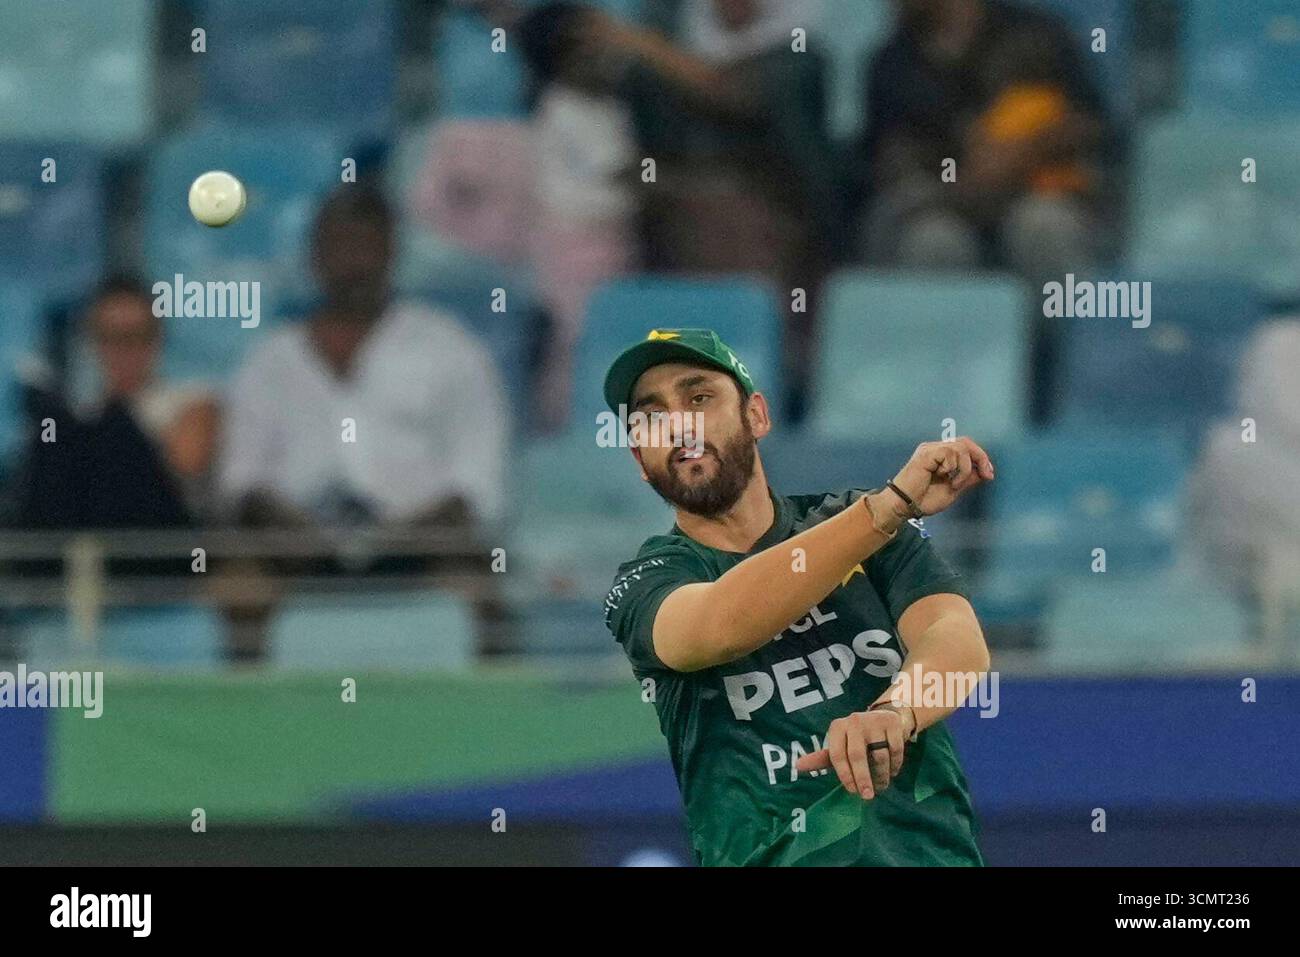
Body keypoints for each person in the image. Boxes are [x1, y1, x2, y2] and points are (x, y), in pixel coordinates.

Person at [601, 327, 993, 866]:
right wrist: (886, 509)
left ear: (757, 416)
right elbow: (716, 627)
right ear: (640, 461)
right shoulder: (647, 580)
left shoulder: (864, 526)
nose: (679, 423)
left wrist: (897, 711)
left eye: (699, 398)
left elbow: (956, 640)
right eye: (651, 416)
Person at [217, 185, 510, 658]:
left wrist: (392, 542)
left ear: (391, 250)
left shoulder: (450, 349)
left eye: (365, 246)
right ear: (314, 256)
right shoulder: (270, 360)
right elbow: (241, 483)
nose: (352, 262)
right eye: (337, 246)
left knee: (483, 593)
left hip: (419, 548)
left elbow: (476, 487)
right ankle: (254, 727)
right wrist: (304, 537)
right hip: (298, 552)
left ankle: (478, 725)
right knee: (236, 588)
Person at [857, 0, 1113, 276]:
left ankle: (1068, 320)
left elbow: (1093, 125)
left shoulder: (1038, 34)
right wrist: (967, 178)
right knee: (933, 242)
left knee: (1045, 226)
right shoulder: (891, 63)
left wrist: (1025, 152)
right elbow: (888, 164)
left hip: (1039, 188)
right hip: (943, 202)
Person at [10, 275, 217, 532]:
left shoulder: (190, 399)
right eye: (109, 337)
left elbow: (188, 461)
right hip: (81, 532)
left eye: (136, 336)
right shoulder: (78, 417)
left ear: (158, 338)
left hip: (156, 539)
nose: (124, 351)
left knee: (109, 427)